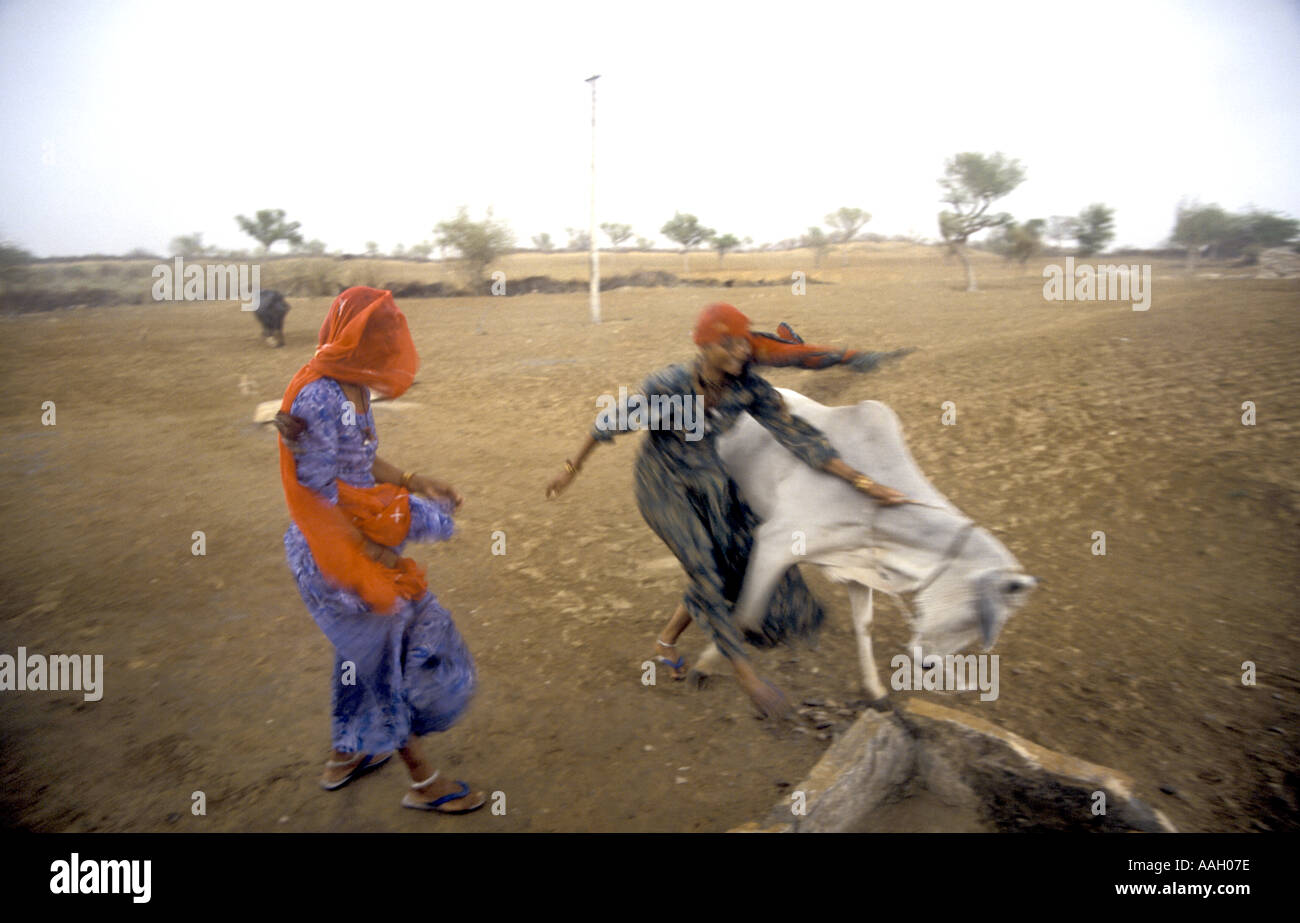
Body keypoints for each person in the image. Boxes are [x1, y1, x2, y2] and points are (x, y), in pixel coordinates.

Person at [546, 302, 912, 717]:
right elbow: (609, 423)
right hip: (662, 485)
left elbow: (802, 439)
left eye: (744, 341)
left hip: (710, 479)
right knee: (705, 567)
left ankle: (666, 639)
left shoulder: (748, 389)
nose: (742, 350)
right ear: (704, 346)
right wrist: (569, 470)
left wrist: (864, 483)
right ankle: (743, 673)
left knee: (745, 556)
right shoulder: (670, 385)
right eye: (729, 343)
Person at [275, 286, 485, 813]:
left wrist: (417, 481)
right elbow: (317, 500)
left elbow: (363, 462)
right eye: (378, 335)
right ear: (350, 336)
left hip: (359, 543)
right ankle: (422, 782)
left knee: (368, 649)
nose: (389, 346)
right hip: (332, 557)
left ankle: (346, 753)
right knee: (383, 661)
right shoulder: (316, 398)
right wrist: (377, 555)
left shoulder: (356, 389)